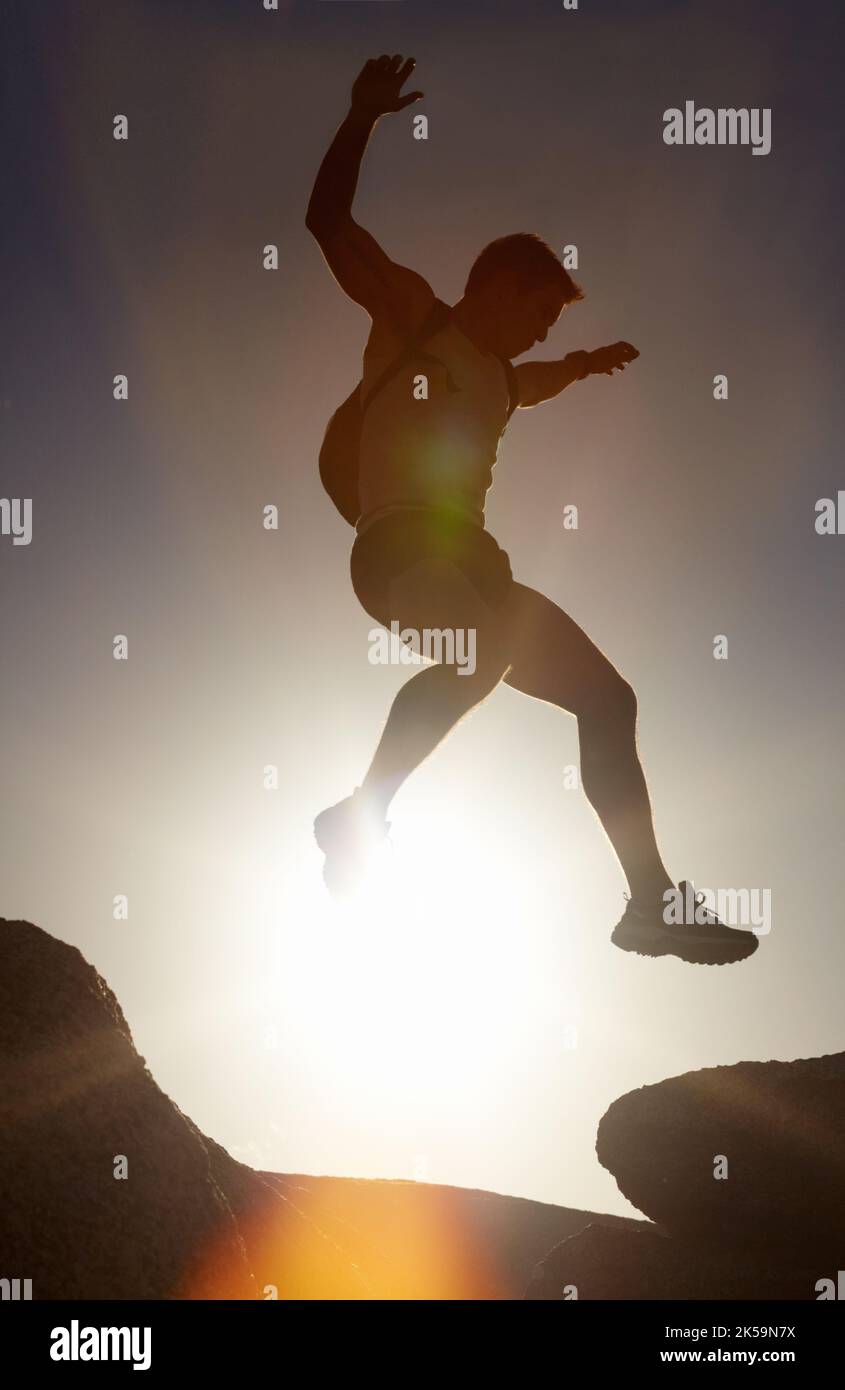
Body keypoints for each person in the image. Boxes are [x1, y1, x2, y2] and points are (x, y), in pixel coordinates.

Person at [305, 55, 757, 966]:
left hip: (474, 560)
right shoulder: (413, 317)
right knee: (476, 659)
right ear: (500, 286)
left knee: (607, 698)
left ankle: (649, 904)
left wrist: (587, 364)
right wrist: (361, 119)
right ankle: (360, 815)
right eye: (540, 315)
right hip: (393, 546)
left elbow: (534, 383)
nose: (540, 335)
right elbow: (327, 223)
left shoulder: (506, 379)